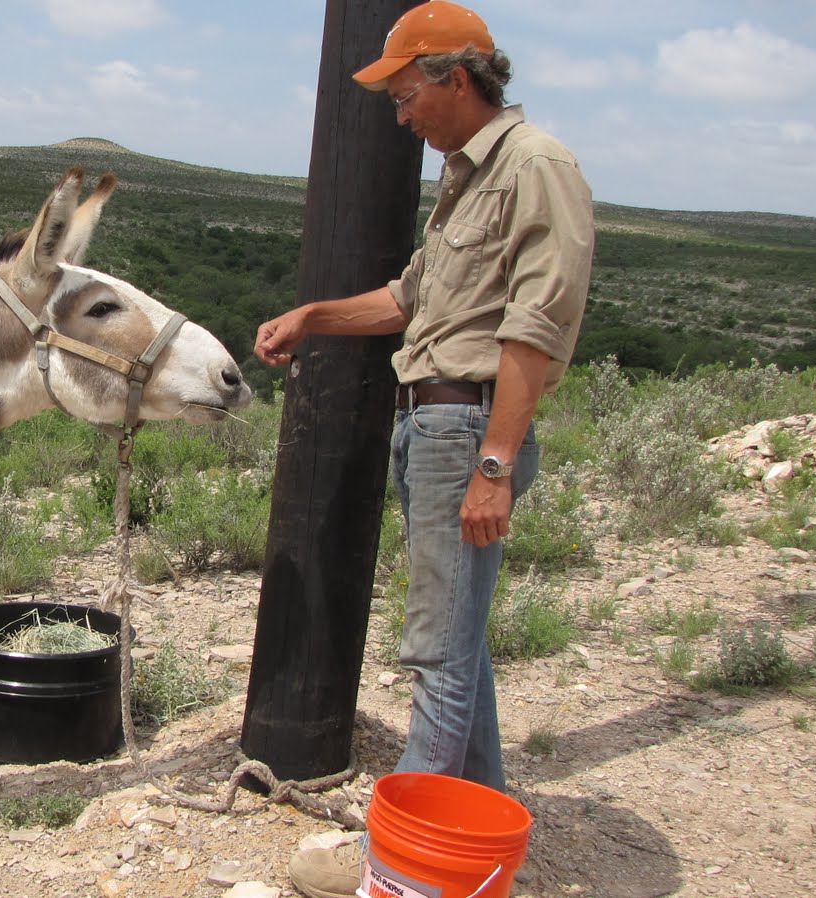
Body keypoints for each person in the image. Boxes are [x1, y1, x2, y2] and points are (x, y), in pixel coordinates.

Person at [253, 3, 594, 895]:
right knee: (459, 641)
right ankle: (475, 829)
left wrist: (494, 463)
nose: (399, 115)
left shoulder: (535, 168)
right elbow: (409, 299)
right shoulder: (465, 180)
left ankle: (399, 863)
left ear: (457, 75)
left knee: (436, 655)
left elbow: (535, 330)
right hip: (431, 424)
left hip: (466, 431)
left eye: (407, 95)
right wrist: (315, 317)